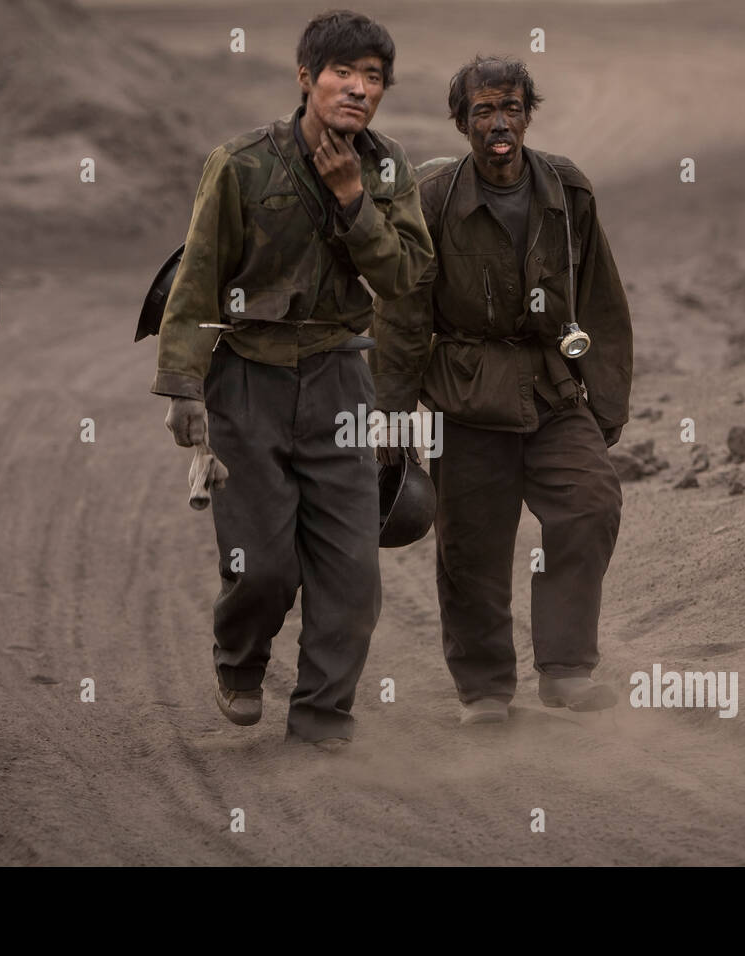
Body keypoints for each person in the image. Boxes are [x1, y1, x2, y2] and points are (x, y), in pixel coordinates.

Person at [152, 10, 433, 751]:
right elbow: (199, 276)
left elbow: (405, 276)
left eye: (374, 78)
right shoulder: (241, 162)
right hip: (248, 379)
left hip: (342, 378)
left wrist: (353, 202)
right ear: (306, 77)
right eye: (344, 72)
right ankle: (240, 664)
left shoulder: (388, 167)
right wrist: (183, 383)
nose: (359, 89)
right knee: (264, 567)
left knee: (351, 574)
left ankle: (321, 717)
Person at [372, 55, 632, 725]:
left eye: (510, 108)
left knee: (590, 505)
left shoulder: (566, 189)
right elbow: (402, 318)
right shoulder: (431, 200)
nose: (498, 124)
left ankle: (567, 670)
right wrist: (393, 420)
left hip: (553, 387)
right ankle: (485, 691)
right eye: (482, 111)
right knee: (472, 548)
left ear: (527, 115)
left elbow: (601, 296)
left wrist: (604, 404)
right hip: (466, 396)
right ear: (461, 122)